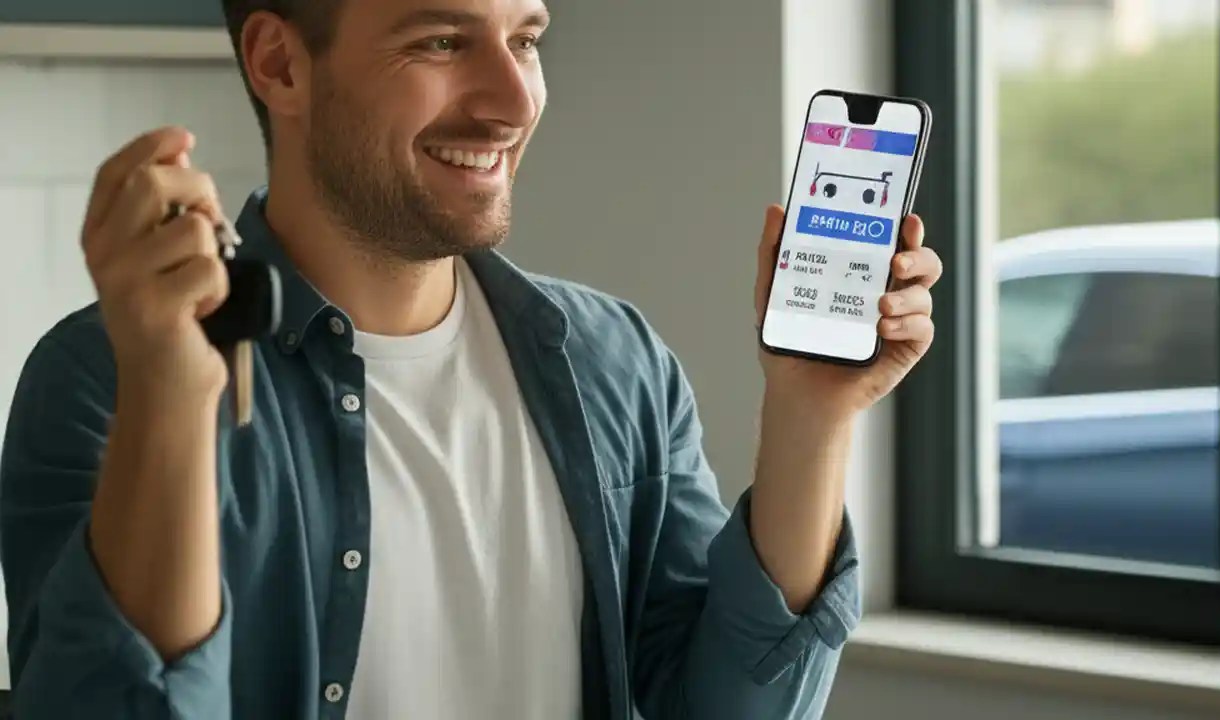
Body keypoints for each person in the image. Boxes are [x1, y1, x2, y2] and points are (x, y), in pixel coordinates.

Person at [0, 0, 942, 718]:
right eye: (443, 41)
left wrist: (813, 415)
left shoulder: (616, 362)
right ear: (281, 64)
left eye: (525, 40)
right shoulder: (108, 380)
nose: (512, 102)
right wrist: (169, 399)